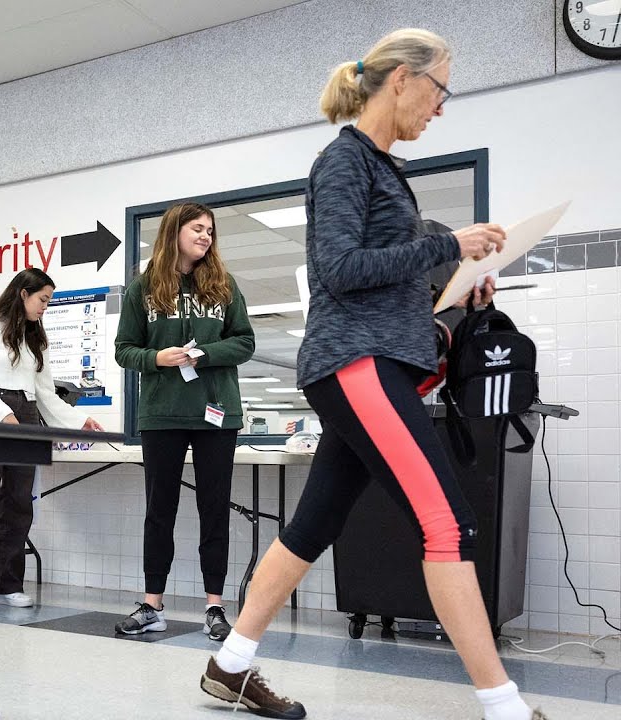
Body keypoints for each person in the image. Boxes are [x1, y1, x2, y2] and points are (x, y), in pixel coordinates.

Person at [197, 29, 546, 720]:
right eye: (440, 90)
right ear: (402, 81)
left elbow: (384, 286)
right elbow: (339, 271)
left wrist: (454, 286)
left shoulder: (386, 171)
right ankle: (503, 707)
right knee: (448, 526)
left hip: (376, 362)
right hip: (355, 365)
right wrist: (446, 244)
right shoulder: (344, 161)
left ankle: (228, 665)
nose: (440, 109)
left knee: (313, 524)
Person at [113, 202, 255, 641]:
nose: (206, 236)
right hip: (161, 414)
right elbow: (124, 349)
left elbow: (245, 341)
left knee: (214, 511)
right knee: (160, 512)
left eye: (210, 230)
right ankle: (152, 604)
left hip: (216, 416)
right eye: (198, 228)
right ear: (174, 231)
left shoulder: (224, 286)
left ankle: (215, 607)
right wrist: (156, 358)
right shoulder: (142, 289)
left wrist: (205, 354)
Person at [0, 268, 104, 613]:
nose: (45, 307)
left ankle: (5, 584)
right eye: (43, 299)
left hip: (27, 414)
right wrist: (3, 414)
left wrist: (79, 420)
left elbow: (45, 393)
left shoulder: (35, 338)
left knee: (19, 504)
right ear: (23, 294)